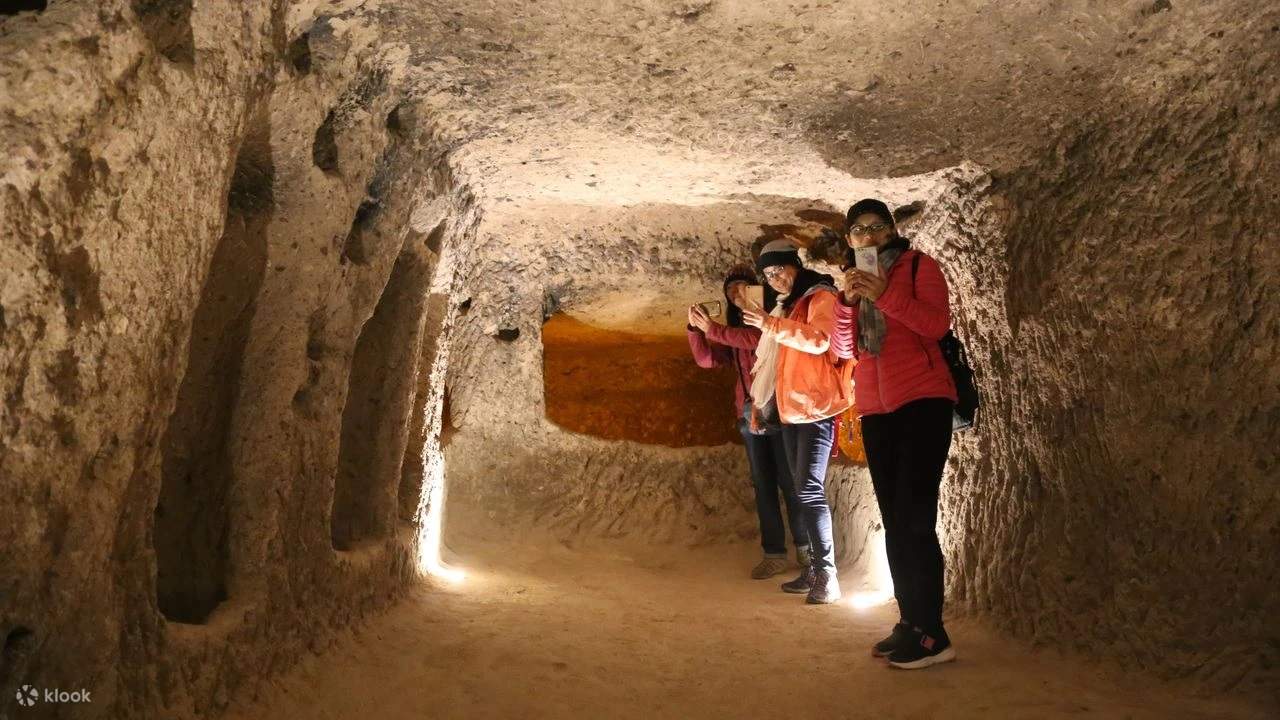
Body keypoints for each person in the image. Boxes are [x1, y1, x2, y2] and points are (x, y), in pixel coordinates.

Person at [832, 198, 959, 669]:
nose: (868, 236)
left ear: (890, 230)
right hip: (876, 409)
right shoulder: (851, 285)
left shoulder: (918, 267)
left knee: (915, 519)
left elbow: (933, 323)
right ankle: (910, 621)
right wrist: (847, 304)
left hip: (922, 401)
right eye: (858, 230)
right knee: (894, 518)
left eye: (876, 227)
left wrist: (883, 292)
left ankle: (933, 634)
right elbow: (844, 349)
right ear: (850, 240)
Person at [741, 240, 854, 604]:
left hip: (816, 408)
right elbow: (774, 365)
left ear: (795, 265)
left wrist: (770, 324)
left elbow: (821, 341)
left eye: (780, 270)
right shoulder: (787, 306)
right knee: (800, 489)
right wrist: (763, 405)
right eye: (769, 275)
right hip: (792, 409)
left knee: (808, 490)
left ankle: (826, 575)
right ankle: (813, 571)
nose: (775, 279)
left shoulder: (820, 297)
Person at [688, 265, 810, 579]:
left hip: (778, 410)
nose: (737, 295)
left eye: (743, 288)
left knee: (790, 479)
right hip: (749, 412)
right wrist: (694, 331)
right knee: (763, 484)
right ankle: (774, 553)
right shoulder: (731, 330)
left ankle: (806, 549)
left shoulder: (772, 317)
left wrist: (712, 329)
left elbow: (755, 340)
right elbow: (707, 360)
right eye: (731, 292)